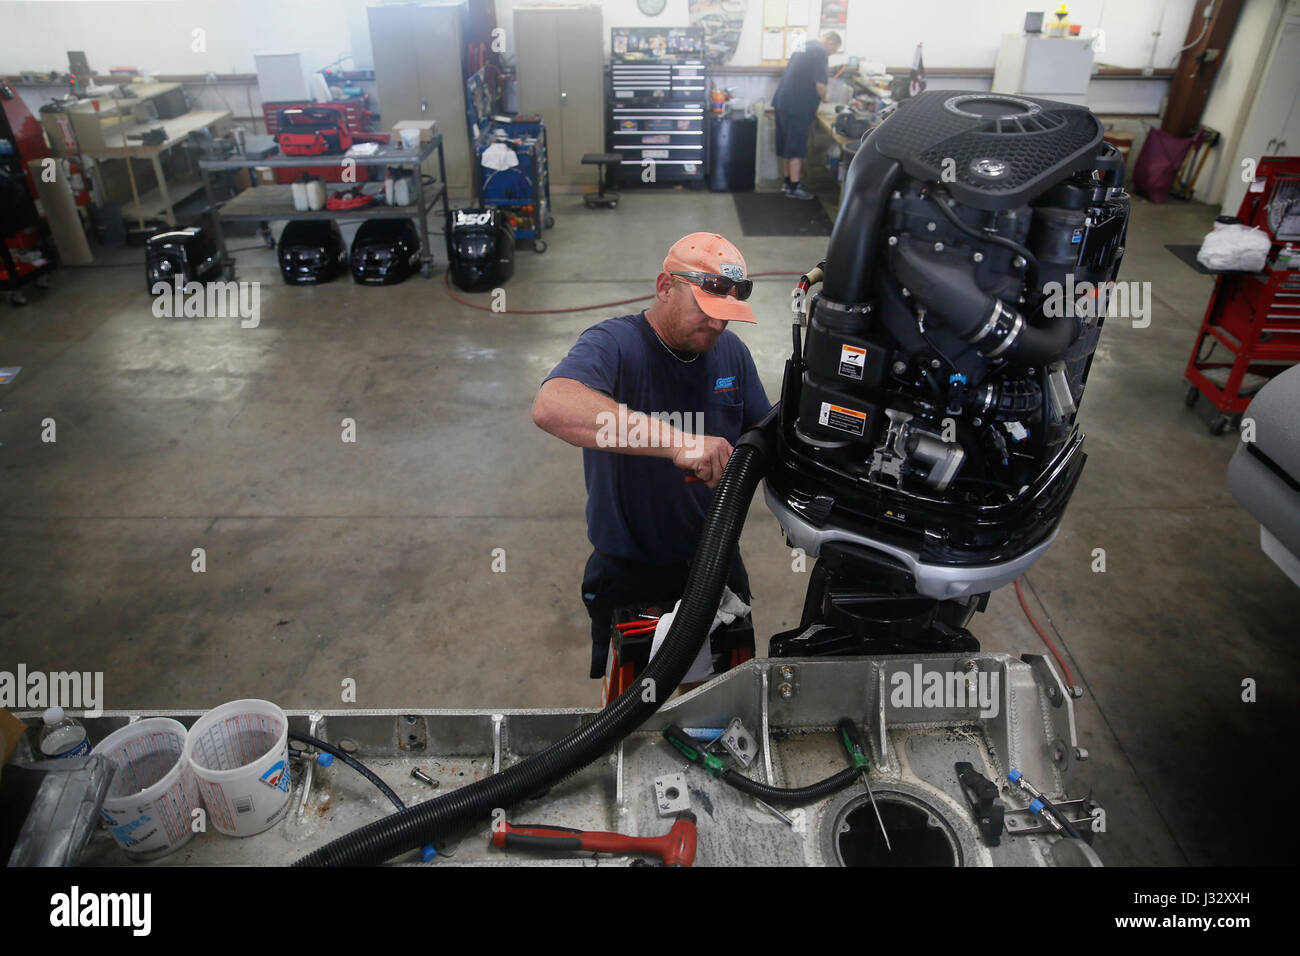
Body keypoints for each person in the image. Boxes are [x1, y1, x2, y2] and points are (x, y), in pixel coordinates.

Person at [532, 233, 771, 680]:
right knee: (637, 718)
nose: (719, 327)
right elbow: (553, 405)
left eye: (728, 316)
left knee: (722, 700)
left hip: (717, 562)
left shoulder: (730, 353)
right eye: (707, 310)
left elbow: (764, 439)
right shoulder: (616, 345)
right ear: (665, 287)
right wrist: (680, 443)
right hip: (632, 573)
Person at [771, 32, 842, 200]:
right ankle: (795, 187)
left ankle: (787, 183)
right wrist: (825, 97)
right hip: (798, 105)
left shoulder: (804, 46)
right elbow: (820, 84)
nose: (831, 54)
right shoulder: (820, 52)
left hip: (782, 101)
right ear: (830, 43)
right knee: (796, 147)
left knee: (786, 146)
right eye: (833, 51)